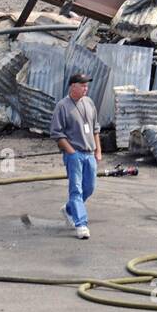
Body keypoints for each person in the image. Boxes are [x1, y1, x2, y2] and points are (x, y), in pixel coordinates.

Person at [51, 73, 102, 240]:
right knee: (76, 189)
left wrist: (98, 150)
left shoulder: (89, 103)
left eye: (87, 85)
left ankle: (69, 209)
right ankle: (81, 224)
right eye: (83, 85)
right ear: (73, 86)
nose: (86, 88)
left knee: (90, 187)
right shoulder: (62, 106)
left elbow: (95, 128)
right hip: (74, 154)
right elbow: (57, 133)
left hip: (90, 153)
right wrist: (71, 152)